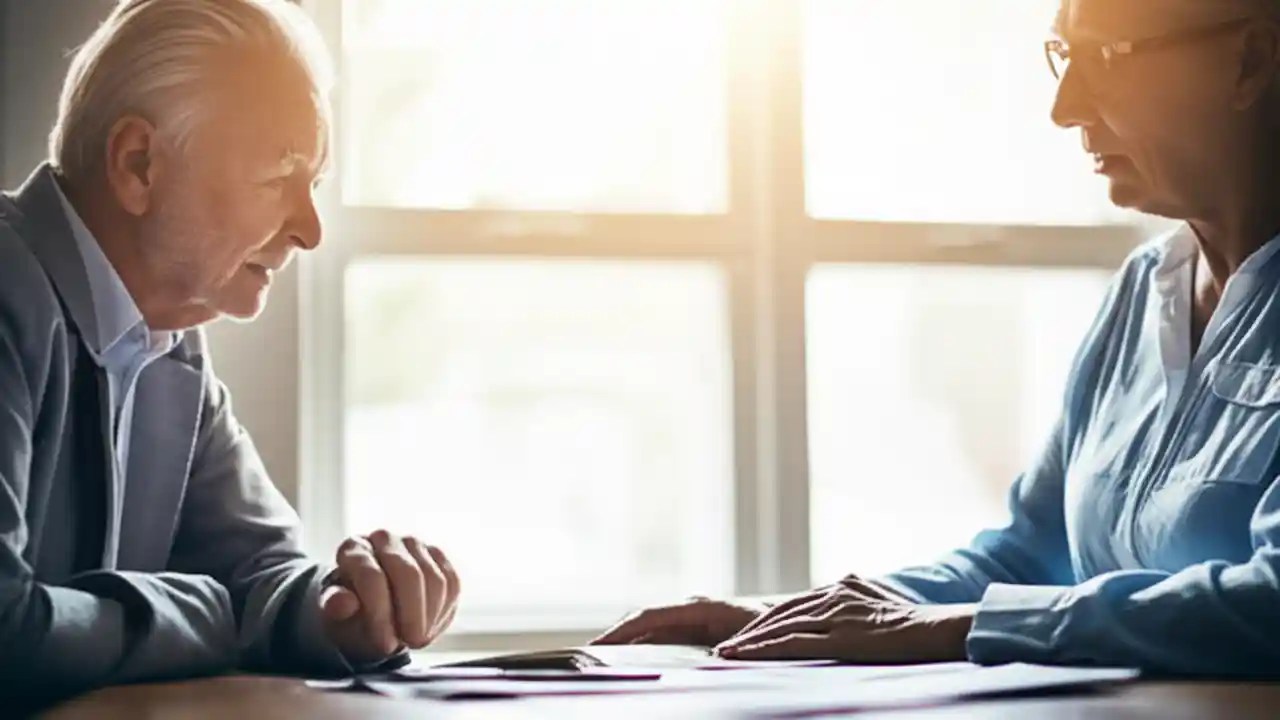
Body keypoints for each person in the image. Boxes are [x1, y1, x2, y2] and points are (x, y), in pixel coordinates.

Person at [596, 0, 1280, 675]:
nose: (1065, 107)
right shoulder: (1142, 289)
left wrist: (961, 628)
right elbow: (1028, 556)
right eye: (1065, 58)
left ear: (1250, 60)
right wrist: (803, 614)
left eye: (1105, 57)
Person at [0, 0, 458, 701]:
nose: (310, 230)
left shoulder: (169, 343)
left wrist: (350, 606)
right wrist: (216, 616)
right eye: (279, 177)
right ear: (138, 163)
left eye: (315, 187)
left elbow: (266, 576)